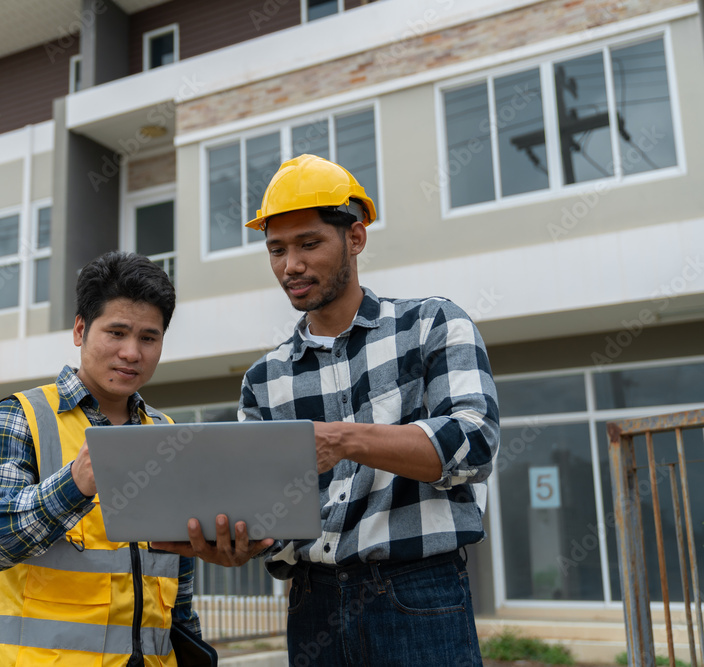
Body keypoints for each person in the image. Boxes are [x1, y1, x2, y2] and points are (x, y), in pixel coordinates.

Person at [157, 155, 499, 666]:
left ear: (355, 238)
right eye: (277, 250)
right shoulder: (264, 380)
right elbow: (271, 517)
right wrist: (240, 543)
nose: (290, 265)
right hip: (312, 604)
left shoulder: (432, 326)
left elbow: (474, 444)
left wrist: (342, 440)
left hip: (419, 596)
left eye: (308, 244)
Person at [0, 250, 199, 667]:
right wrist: (73, 484)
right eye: (116, 332)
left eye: (148, 338)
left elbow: (177, 584)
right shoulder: (21, 417)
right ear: (80, 330)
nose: (131, 352)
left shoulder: (167, 432)